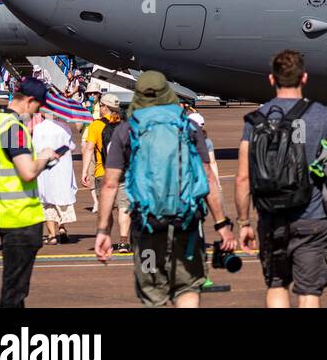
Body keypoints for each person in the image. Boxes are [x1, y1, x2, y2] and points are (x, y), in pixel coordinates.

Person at [94, 72, 235, 307]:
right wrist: (222, 224)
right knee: (187, 287)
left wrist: (103, 231)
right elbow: (208, 178)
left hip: (147, 227)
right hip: (186, 224)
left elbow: (110, 184)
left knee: (153, 291)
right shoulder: (188, 127)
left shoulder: (127, 130)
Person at [236, 49, 327, 308]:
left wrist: (244, 221)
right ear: (304, 78)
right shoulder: (324, 115)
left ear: (272, 79)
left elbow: (243, 177)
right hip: (312, 217)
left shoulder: (256, 119)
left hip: (271, 216)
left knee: (276, 284)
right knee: (309, 291)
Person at [0, 77, 58, 308]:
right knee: (14, 293)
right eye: (38, 107)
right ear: (29, 101)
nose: (36, 113)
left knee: (13, 290)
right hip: (22, 218)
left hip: (4, 214)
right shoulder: (14, 129)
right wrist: (44, 156)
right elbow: (27, 171)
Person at [82, 94, 130, 248]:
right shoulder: (125, 124)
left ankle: (106, 240)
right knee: (124, 207)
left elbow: (89, 149)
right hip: (123, 172)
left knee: (106, 209)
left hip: (102, 172)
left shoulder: (95, 125)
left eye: (101, 105)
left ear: (105, 107)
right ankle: (123, 241)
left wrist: (84, 172)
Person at [33, 112, 78, 244]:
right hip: (62, 168)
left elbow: (34, 148)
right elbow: (72, 147)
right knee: (61, 198)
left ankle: (52, 235)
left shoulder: (38, 128)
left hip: (46, 168)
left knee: (47, 201)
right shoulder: (64, 127)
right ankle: (62, 228)